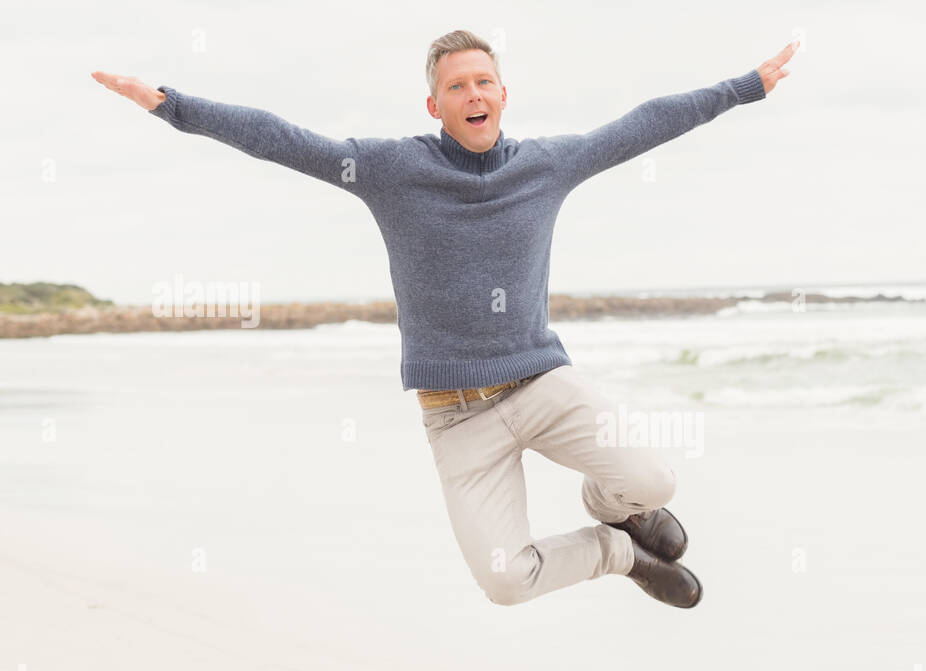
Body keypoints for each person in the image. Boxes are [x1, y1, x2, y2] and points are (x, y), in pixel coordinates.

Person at [91, 30, 797, 609]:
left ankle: (615, 507)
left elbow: (642, 125)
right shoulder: (390, 170)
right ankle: (615, 550)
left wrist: (744, 88)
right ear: (435, 105)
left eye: (483, 81)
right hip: (457, 419)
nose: (473, 94)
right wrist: (170, 104)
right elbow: (283, 139)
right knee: (504, 581)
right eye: (456, 86)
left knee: (655, 481)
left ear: (503, 95)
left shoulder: (548, 165)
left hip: (542, 384)